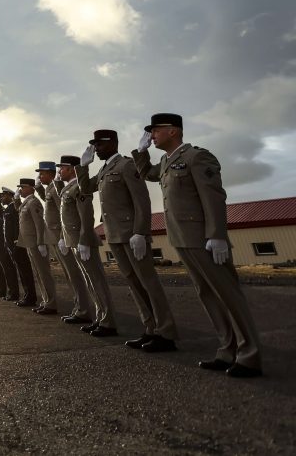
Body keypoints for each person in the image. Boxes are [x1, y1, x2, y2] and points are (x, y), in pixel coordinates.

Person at [133, 113, 263, 377]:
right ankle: (227, 350)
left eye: (156, 130)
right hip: (182, 238)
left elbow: (213, 197)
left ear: (173, 131)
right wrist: (141, 152)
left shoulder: (197, 157)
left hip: (203, 239)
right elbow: (147, 173)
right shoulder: (166, 161)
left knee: (228, 295)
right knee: (207, 294)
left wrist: (217, 234)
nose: (152, 135)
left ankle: (249, 356)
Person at [77, 129, 177, 353]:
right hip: (115, 236)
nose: (97, 149)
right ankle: (151, 328)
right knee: (134, 284)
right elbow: (85, 188)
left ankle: (166, 332)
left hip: (131, 235)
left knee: (149, 283)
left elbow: (142, 200)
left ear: (113, 143)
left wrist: (140, 232)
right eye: (95, 145)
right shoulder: (104, 170)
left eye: (100, 144)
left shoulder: (126, 165)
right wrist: (83, 167)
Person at [57, 155, 117, 337]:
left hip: (83, 241)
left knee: (97, 281)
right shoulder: (68, 188)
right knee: (90, 281)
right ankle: (100, 318)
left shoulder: (79, 187)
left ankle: (108, 322)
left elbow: (86, 216)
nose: (59, 171)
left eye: (62, 168)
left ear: (72, 169)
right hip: (74, 240)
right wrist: (64, 238)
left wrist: (84, 239)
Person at [36, 161, 91, 324]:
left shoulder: (55, 189)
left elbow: (63, 214)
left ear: (50, 173)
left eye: (42, 173)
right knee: (69, 274)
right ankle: (78, 308)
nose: (40, 176)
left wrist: (61, 236)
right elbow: (50, 204)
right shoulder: (51, 188)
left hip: (61, 237)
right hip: (55, 237)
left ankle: (82, 309)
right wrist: (38, 188)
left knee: (73, 274)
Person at [17, 179, 58, 315]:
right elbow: (19, 211)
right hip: (30, 243)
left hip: (36, 243)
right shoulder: (26, 203)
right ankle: (46, 301)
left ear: (31, 188)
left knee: (44, 273)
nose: (20, 190)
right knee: (39, 274)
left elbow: (39, 223)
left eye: (23, 187)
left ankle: (51, 304)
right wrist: (16, 199)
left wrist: (41, 242)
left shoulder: (34, 202)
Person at [0, 187, 35, 307]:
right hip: (12, 245)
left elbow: (18, 224)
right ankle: (27, 296)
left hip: (17, 244)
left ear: (10, 196)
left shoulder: (14, 208)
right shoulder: (8, 209)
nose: (2, 198)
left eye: (4, 196)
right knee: (21, 272)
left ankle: (30, 297)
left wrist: (16, 240)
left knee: (25, 271)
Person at [0, 203, 18, 301]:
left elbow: (5, 235)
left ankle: (13, 293)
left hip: (4, 249)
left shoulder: (1, 220)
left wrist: (6, 248)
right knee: (5, 272)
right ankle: (8, 292)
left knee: (9, 272)